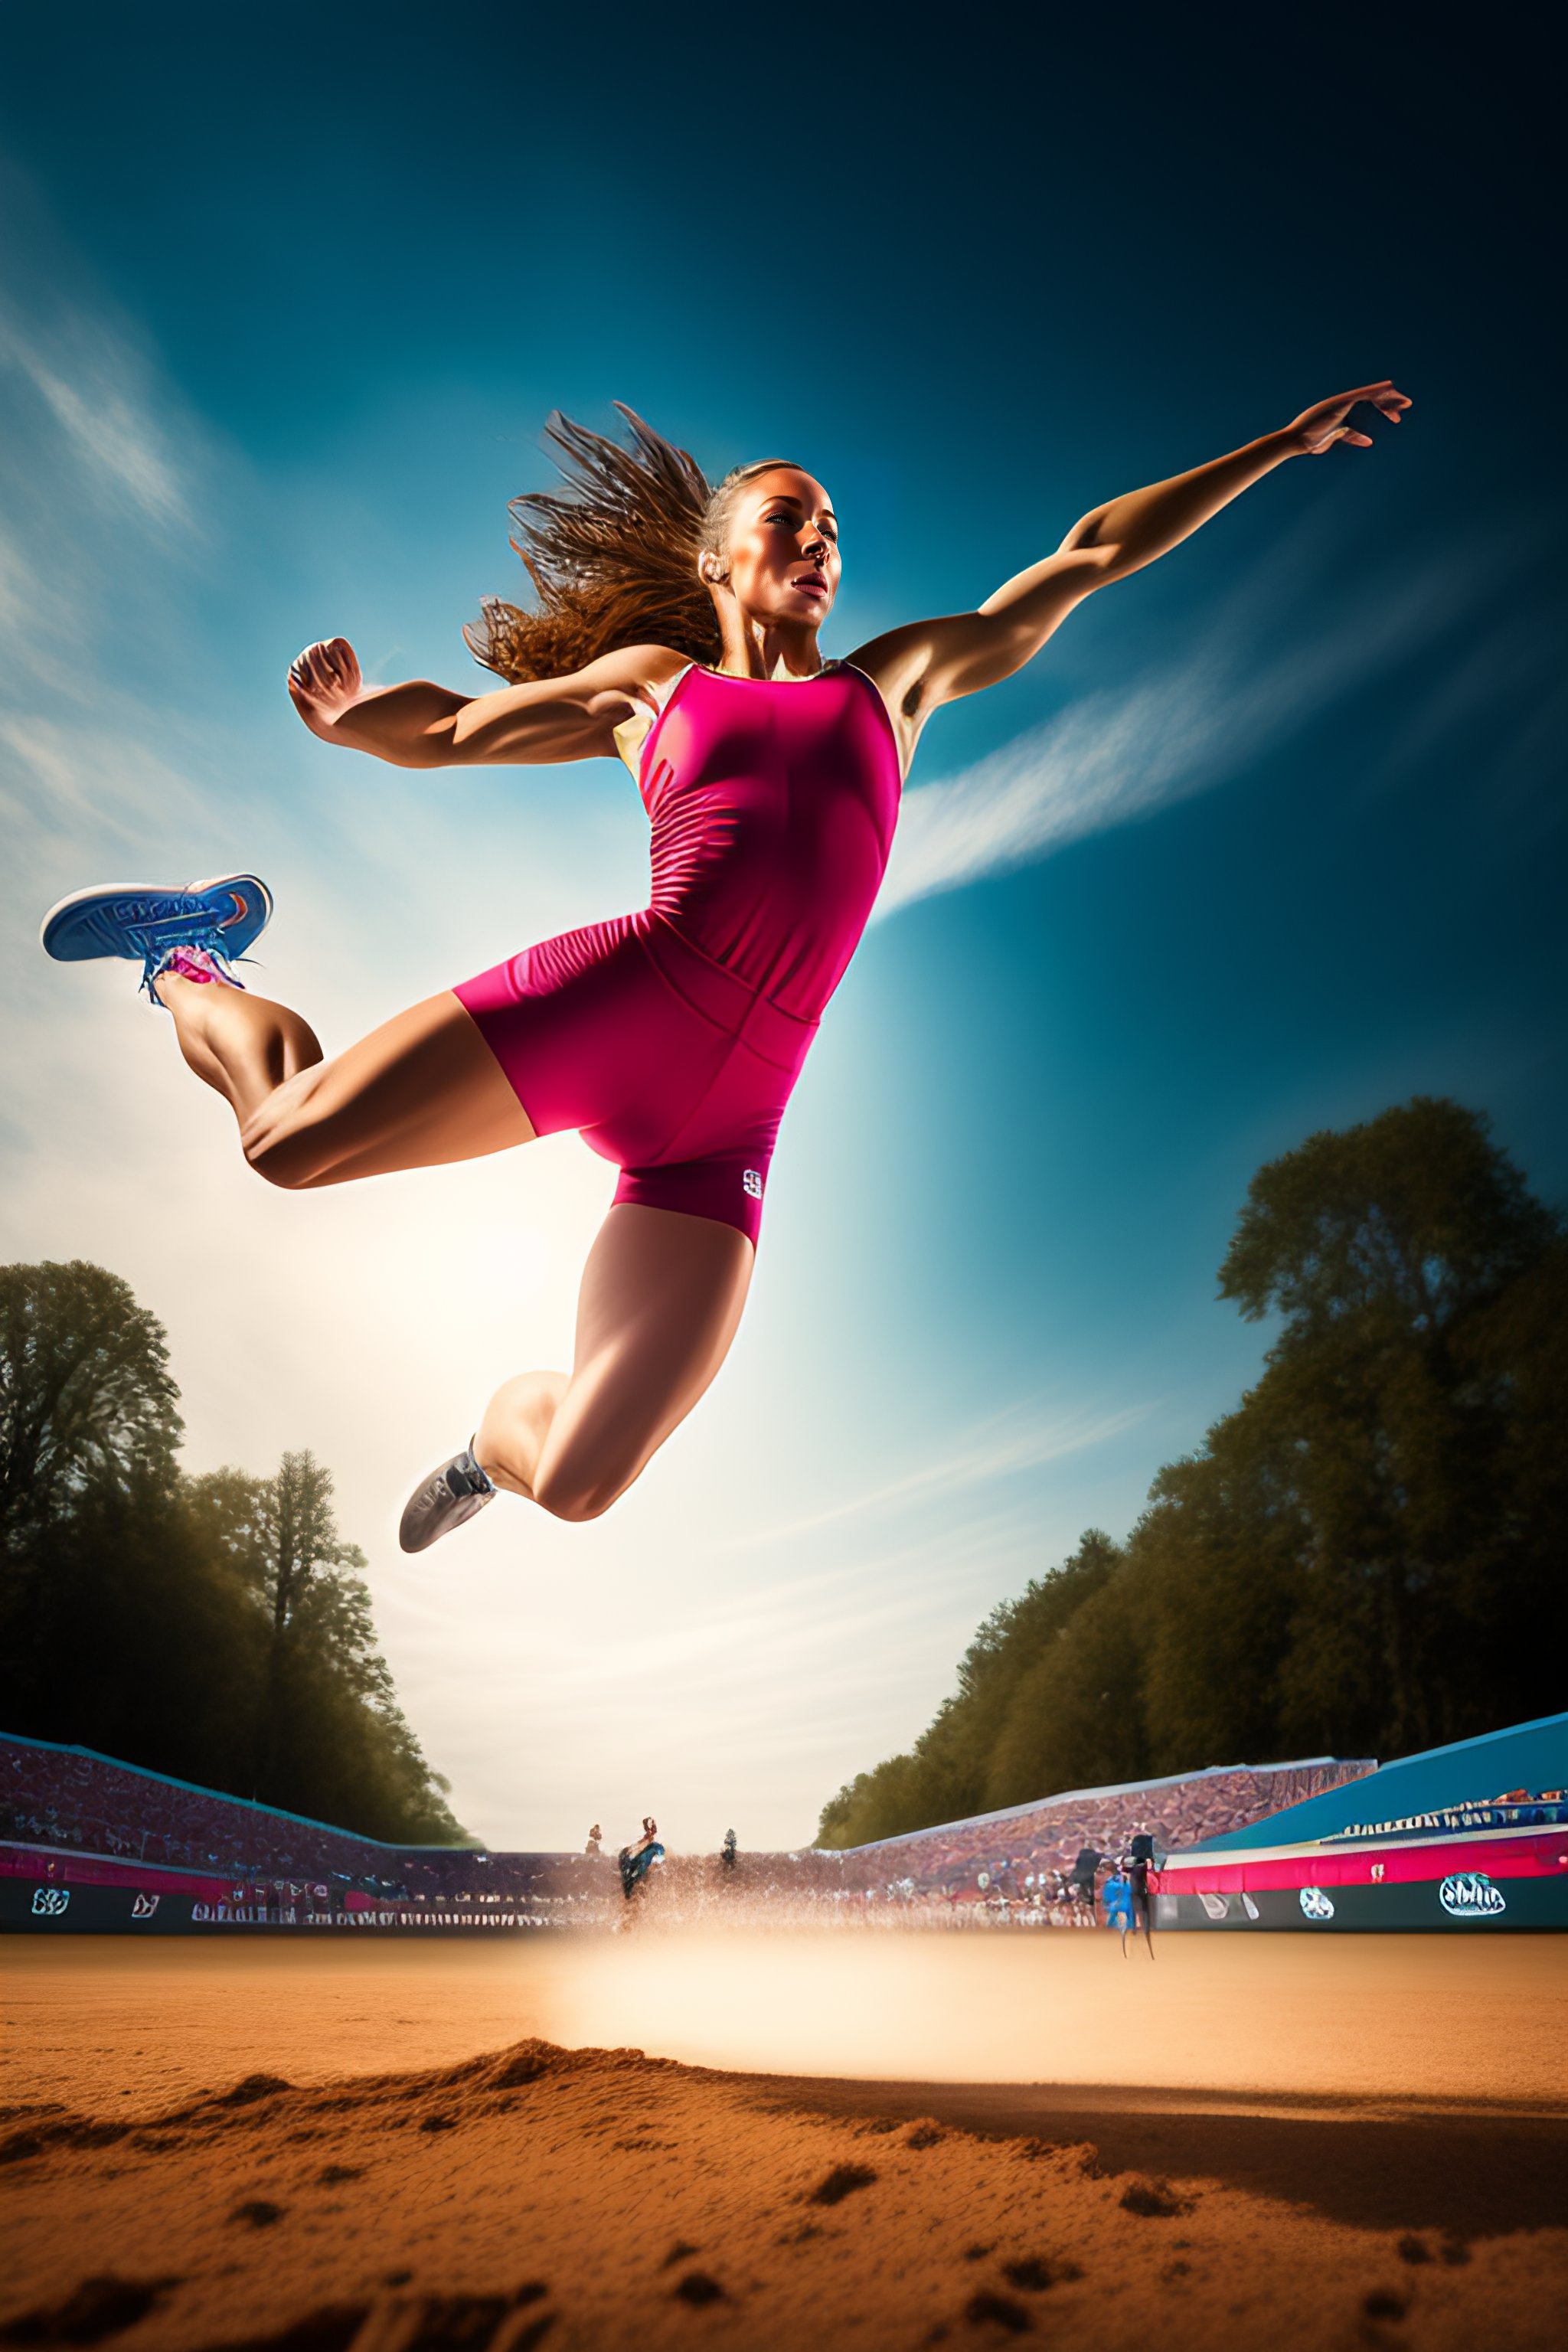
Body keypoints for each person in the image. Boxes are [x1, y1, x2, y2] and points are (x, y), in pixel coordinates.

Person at [40, 389, 1410, 1544]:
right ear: (717, 560)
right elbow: (455, 729)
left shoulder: (897, 681)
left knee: (577, 1477)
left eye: (832, 529)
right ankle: (191, 965)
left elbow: (1088, 554)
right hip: (617, 1005)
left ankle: (478, 1451)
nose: (820, 544)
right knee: (286, 1143)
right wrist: (350, 721)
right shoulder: (651, 687)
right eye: (790, 521)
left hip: (730, 1122)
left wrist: (1273, 446)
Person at [618, 1815, 664, 1901]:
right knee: (635, 1877)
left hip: (640, 1859)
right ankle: (630, 1892)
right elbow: (642, 1844)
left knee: (635, 1877)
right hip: (638, 1860)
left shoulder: (650, 1837)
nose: (654, 1828)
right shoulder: (648, 1836)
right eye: (652, 1826)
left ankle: (631, 1891)